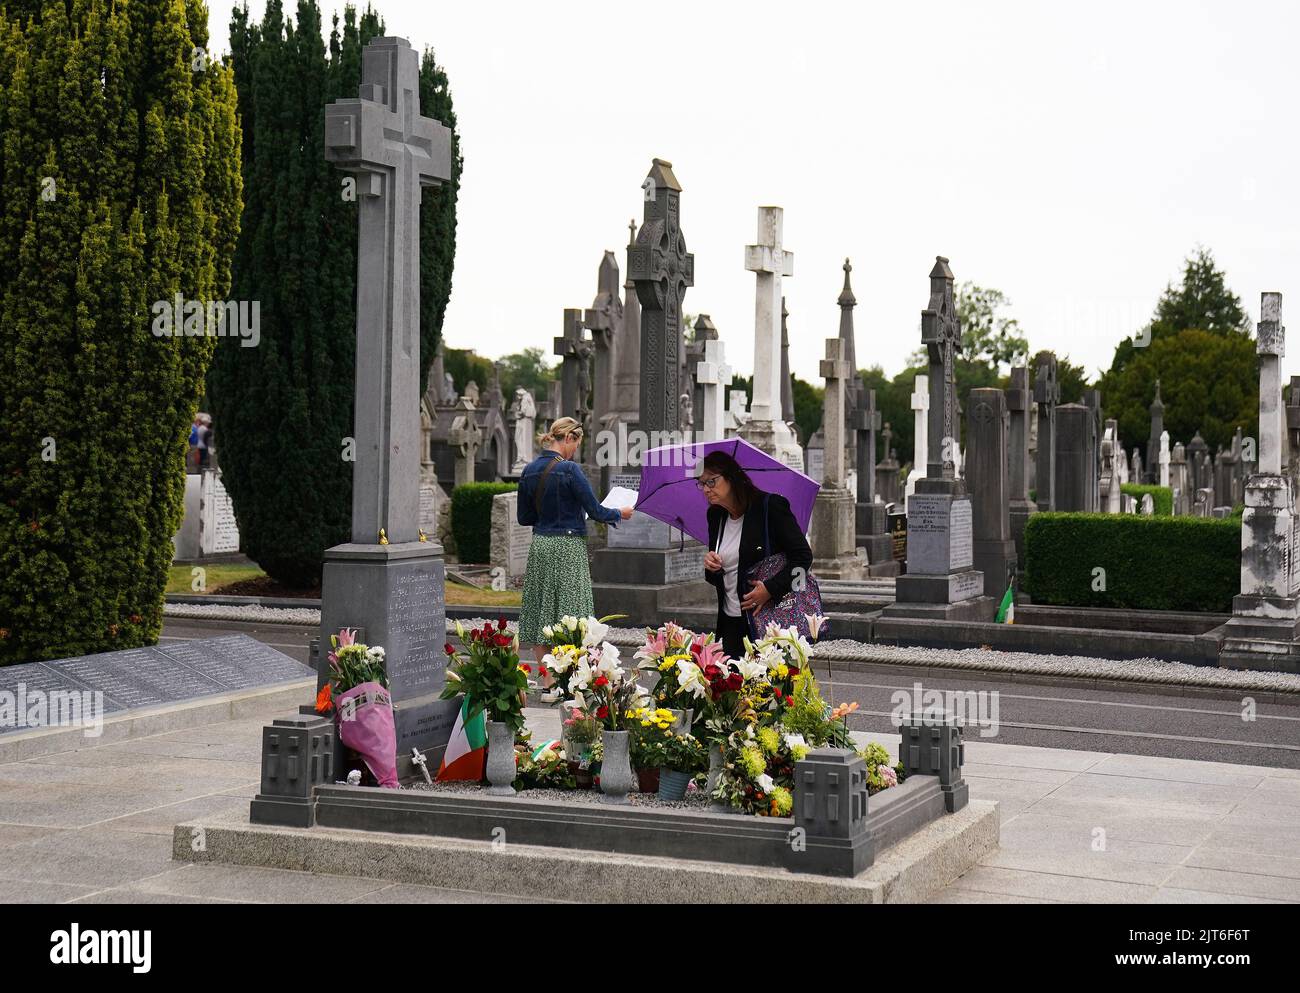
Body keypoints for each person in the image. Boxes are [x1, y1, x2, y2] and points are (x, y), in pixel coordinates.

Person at [516, 417, 633, 662]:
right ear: (569, 438)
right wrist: (620, 513)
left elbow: (524, 518)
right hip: (568, 547)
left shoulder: (528, 470)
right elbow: (597, 511)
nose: (574, 451)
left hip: (541, 545)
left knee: (542, 613)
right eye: (576, 444)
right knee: (573, 613)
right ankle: (568, 679)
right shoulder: (570, 470)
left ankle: (548, 682)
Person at [701, 450, 813, 658]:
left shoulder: (769, 507)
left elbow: (803, 557)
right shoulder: (716, 515)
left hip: (769, 622)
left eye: (711, 482)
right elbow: (716, 576)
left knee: (769, 688)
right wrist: (711, 565)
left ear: (731, 478)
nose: (705, 489)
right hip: (731, 622)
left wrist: (770, 589)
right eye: (701, 483)